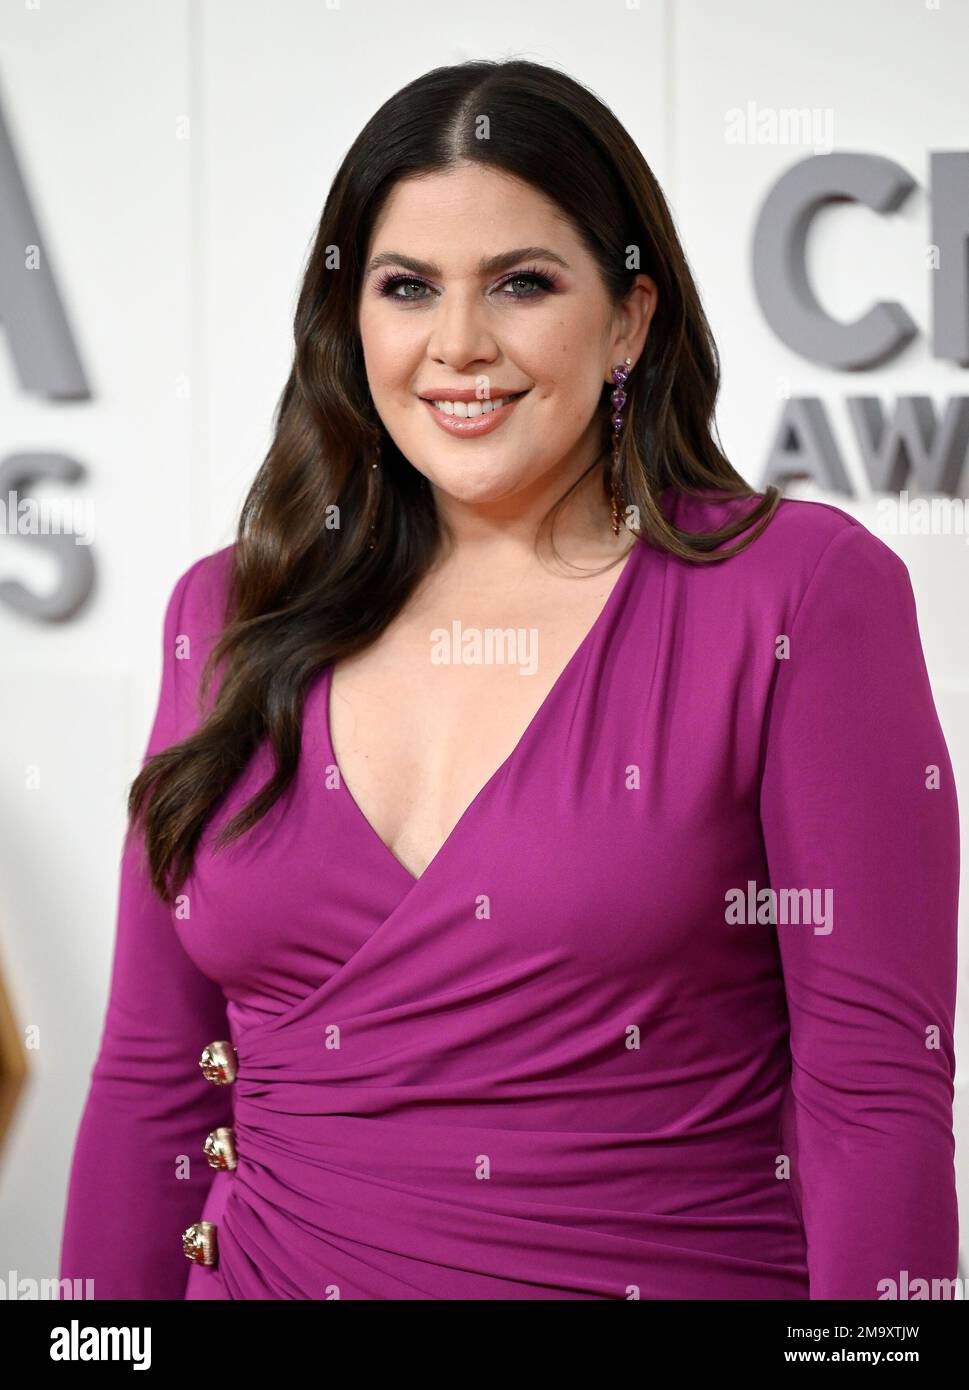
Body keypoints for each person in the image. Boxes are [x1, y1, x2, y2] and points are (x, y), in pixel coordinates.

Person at [59, 58, 959, 1301]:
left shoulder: (797, 595)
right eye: (407, 287)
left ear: (631, 320)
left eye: (523, 284)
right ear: (352, 318)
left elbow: (874, 1093)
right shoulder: (227, 613)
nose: (460, 345)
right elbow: (148, 1082)